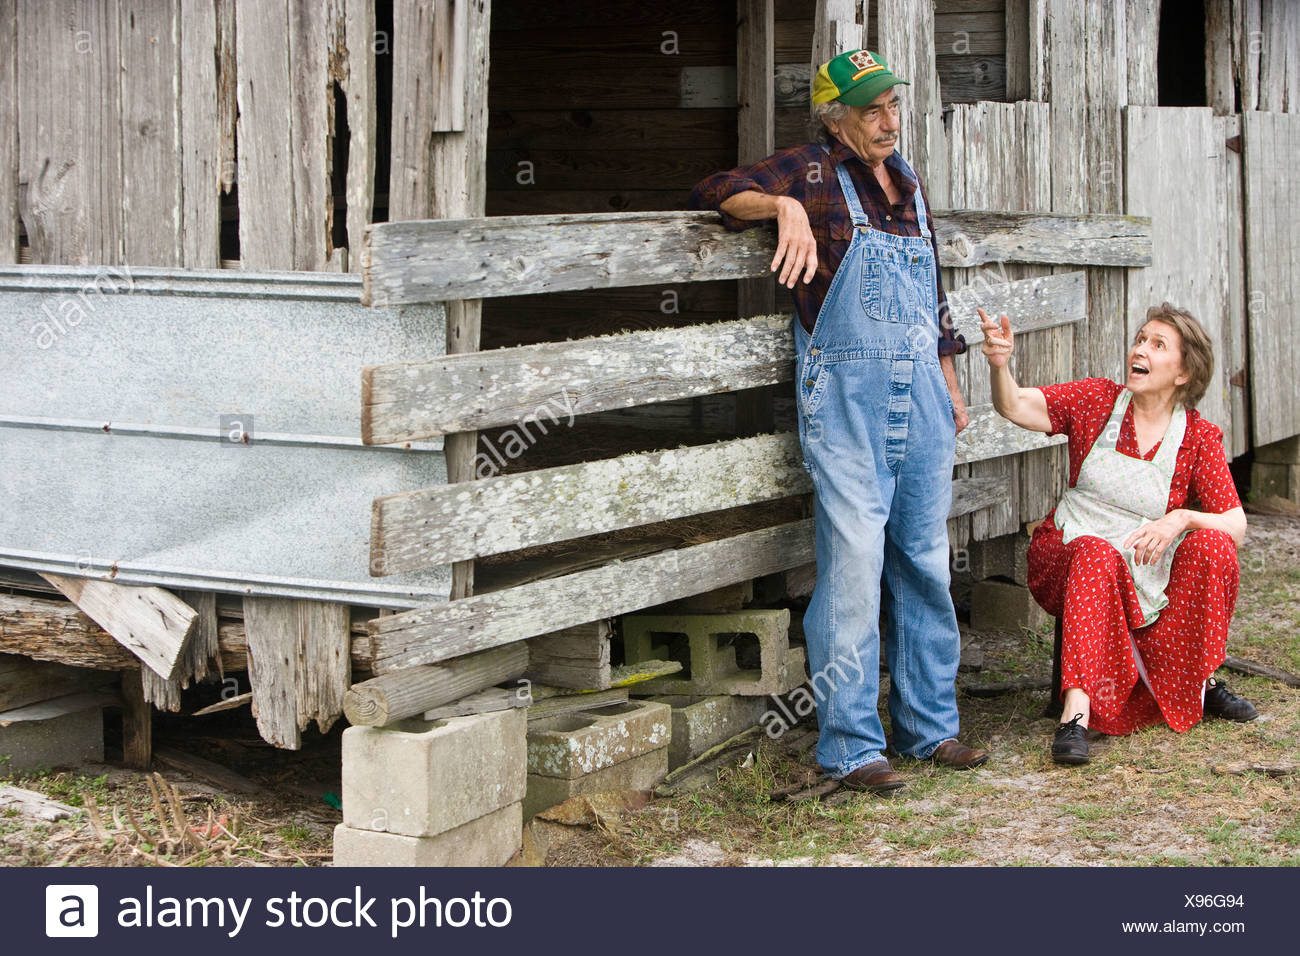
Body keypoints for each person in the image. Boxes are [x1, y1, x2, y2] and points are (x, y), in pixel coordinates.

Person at [690, 49, 988, 794]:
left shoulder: (910, 183)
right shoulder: (811, 174)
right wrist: (781, 207)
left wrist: (949, 383)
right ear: (836, 117)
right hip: (848, 399)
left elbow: (933, 294)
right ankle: (852, 746)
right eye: (871, 109)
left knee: (922, 558)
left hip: (921, 389)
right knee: (853, 565)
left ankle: (931, 729)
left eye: (893, 104)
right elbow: (719, 190)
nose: (888, 121)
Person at [978, 302, 1257, 765]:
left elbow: (1236, 525)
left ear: (1184, 372)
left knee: (1212, 545)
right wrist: (1000, 366)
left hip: (1142, 566)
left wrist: (1182, 518)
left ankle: (1198, 680)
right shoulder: (1097, 400)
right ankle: (1076, 714)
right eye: (1140, 339)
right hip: (1070, 549)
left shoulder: (1198, 437)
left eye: (1157, 344)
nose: (1140, 349)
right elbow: (1014, 405)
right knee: (1096, 554)